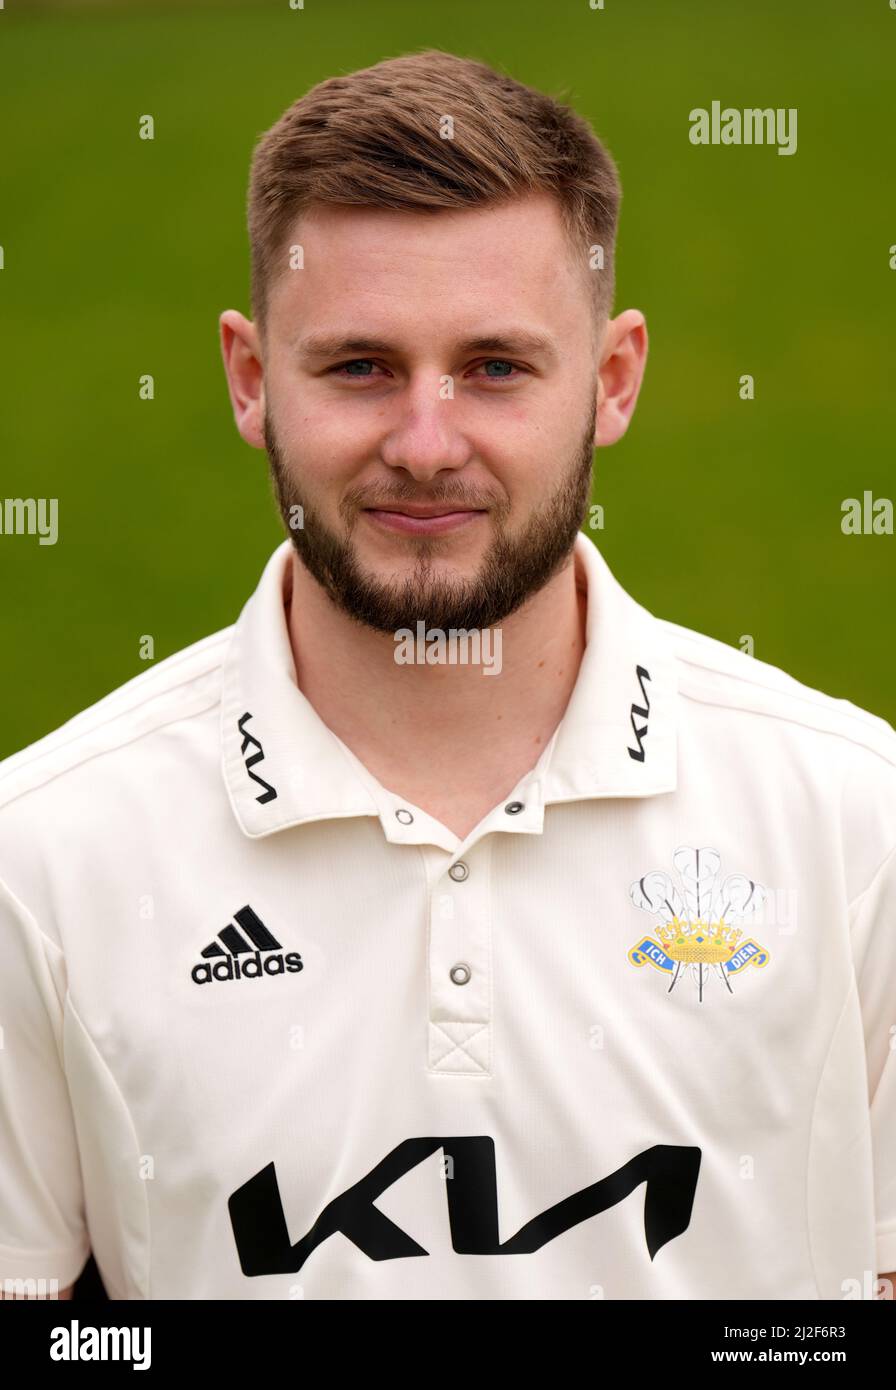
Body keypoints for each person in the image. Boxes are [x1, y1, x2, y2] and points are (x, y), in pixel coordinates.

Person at [1, 49, 894, 1301]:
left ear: (612, 380)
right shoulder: (42, 857)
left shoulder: (854, 822)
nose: (425, 445)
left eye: (495, 369)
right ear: (252, 380)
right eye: (360, 367)